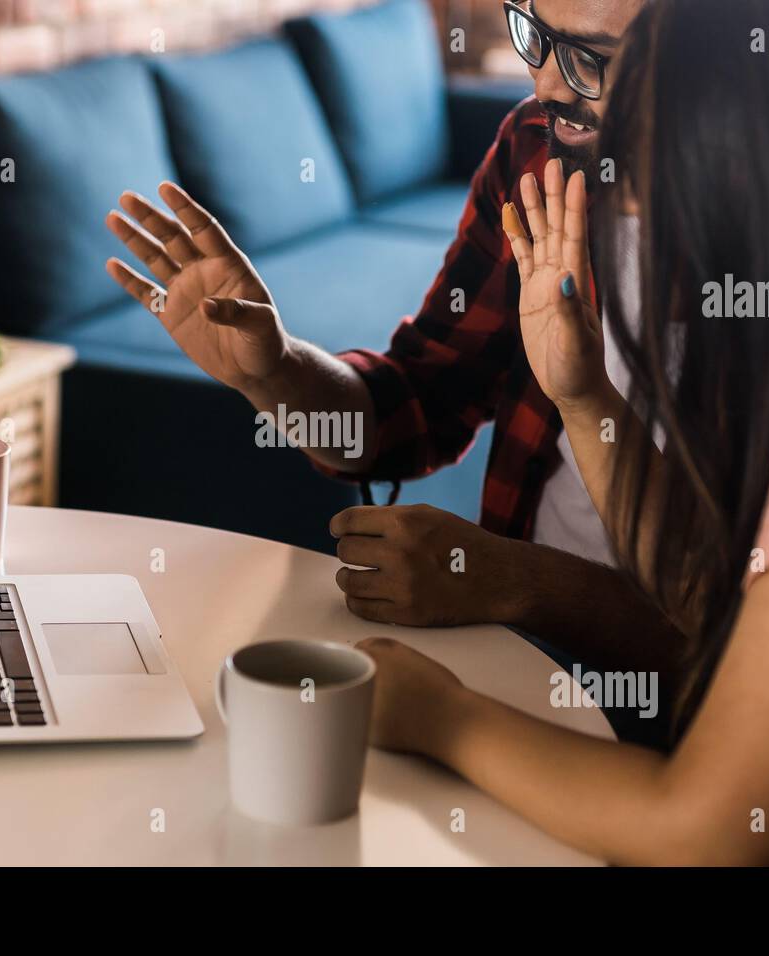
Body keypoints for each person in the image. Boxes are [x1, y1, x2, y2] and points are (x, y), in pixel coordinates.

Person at [360, 0, 769, 865]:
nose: (625, 195)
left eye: (658, 150)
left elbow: (706, 829)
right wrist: (582, 395)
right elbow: (721, 613)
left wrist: (439, 714)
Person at [102, 3, 666, 671]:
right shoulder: (535, 150)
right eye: (536, 37)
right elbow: (417, 404)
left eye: (588, 56)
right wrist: (276, 371)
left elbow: (742, 632)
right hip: (528, 657)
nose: (544, 86)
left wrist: (521, 583)